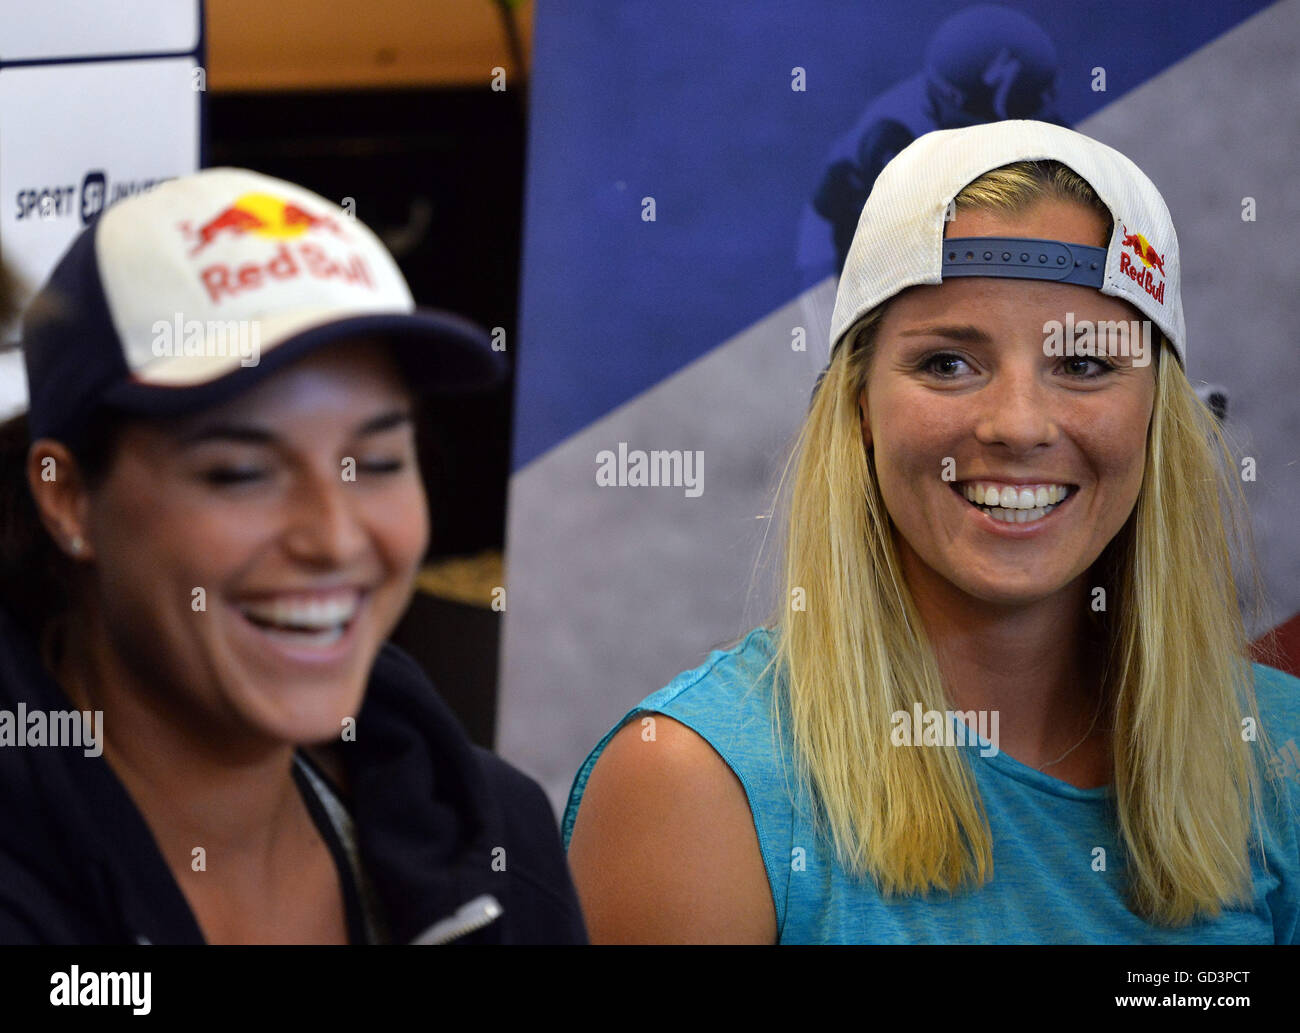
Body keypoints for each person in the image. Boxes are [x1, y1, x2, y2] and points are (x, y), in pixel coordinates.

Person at [564, 120, 1300, 943]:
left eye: (1086, 363)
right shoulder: (694, 784)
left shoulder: (1282, 757)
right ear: (857, 406)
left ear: (1159, 411)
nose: (1019, 425)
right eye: (949, 363)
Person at [0, 168, 587, 944]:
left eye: (376, 463)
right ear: (68, 497)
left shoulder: (494, 838)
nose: (336, 538)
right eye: (241, 473)